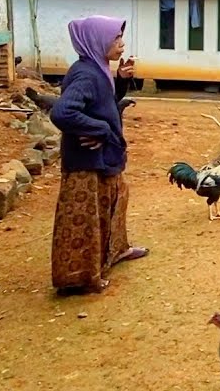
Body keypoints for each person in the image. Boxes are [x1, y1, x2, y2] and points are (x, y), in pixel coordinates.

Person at [48, 15, 147, 295]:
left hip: (104, 158)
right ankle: (79, 277)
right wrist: (100, 128)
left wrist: (121, 81)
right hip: (86, 163)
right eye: (116, 39)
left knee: (115, 203)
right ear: (98, 41)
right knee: (85, 218)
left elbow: (104, 103)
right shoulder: (85, 74)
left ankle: (116, 251)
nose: (121, 44)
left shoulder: (99, 68)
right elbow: (62, 111)